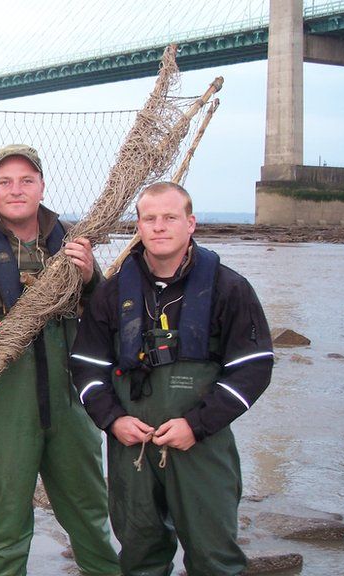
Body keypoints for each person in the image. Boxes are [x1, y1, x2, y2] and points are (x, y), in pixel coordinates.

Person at [0, 144, 120, 576]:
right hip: (1, 396)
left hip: (70, 395)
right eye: (5, 182)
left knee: (91, 514)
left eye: (26, 181)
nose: (16, 190)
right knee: (6, 522)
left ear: (42, 186)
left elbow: (103, 310)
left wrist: (91, 276)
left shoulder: (69, 236)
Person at [71, 182, 274, 575]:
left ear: (190, 223)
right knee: (139, 554)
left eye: (170, 217)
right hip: (133, 445)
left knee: (215, 557)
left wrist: (196, 426)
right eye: (150, 219)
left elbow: (254, 367)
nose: (159, 227)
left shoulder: (230, 288)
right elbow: (86, 365)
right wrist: (113, 420)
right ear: (139, 227)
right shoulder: (112, 294)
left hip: (201, 445)